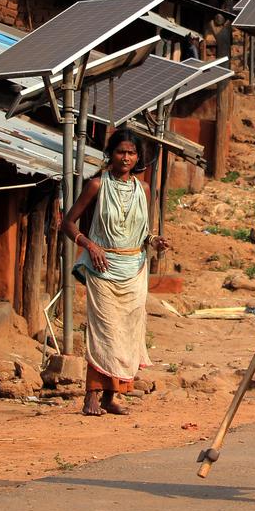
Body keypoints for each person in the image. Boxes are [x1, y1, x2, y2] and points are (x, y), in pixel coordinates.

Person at [61, 129, 171, 416]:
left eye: (131, 153)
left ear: (138, 158)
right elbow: (68, 223)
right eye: (121, 152)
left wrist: (154, 242)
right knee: (104, 330)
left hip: (134, 269)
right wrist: (89, 245)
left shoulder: (144, 189)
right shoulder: (96, 185)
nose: (126, 158)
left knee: (127, 333)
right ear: (111, 154)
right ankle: (91, 395)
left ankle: (113, 395)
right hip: (103, 267)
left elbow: (144, 234)